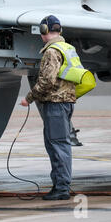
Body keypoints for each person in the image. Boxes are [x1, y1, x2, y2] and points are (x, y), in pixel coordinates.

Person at [20, 15, 76, 201]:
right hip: (65, 102)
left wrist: (28, 98)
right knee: (58, 144)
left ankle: (61, 188)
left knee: (58, 145)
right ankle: (60, 185)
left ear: (44, 30)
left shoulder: (52, 51)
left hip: (56, 105)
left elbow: (47, 81)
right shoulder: (67, 48)